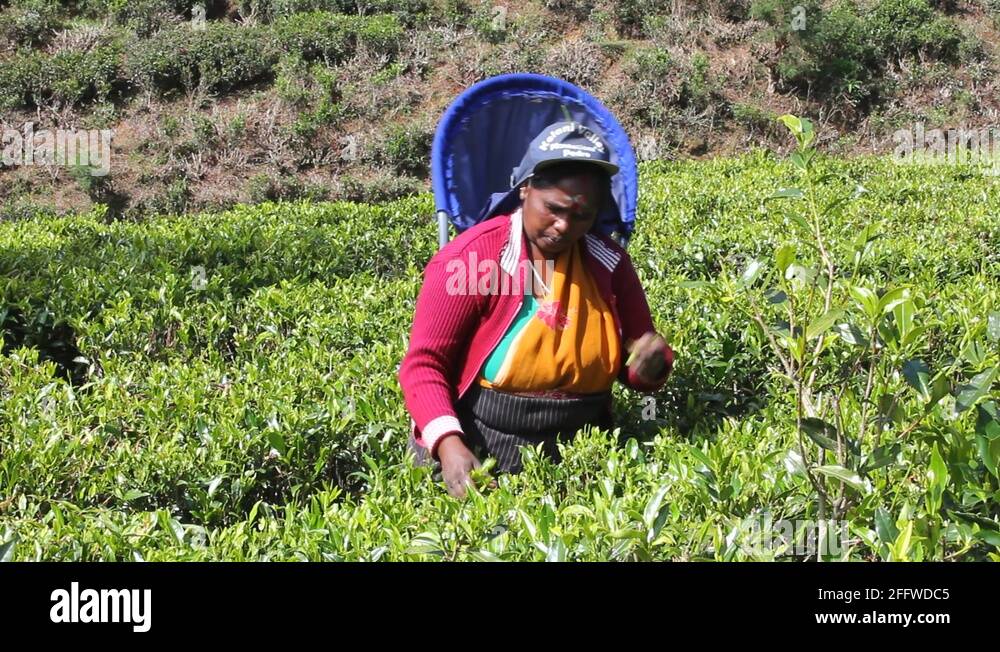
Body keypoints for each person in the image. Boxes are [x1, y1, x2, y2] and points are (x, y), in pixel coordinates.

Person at [398, 121, 674, 497]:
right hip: (481, 441)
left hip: (580, 447)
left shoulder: (609, 264)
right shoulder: (472, 258)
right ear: (525, 188)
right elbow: (424, 365)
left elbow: (637, 368)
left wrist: (652, 364)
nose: (564, 226)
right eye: (553, 209)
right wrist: (448, 444)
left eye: (582, 216)